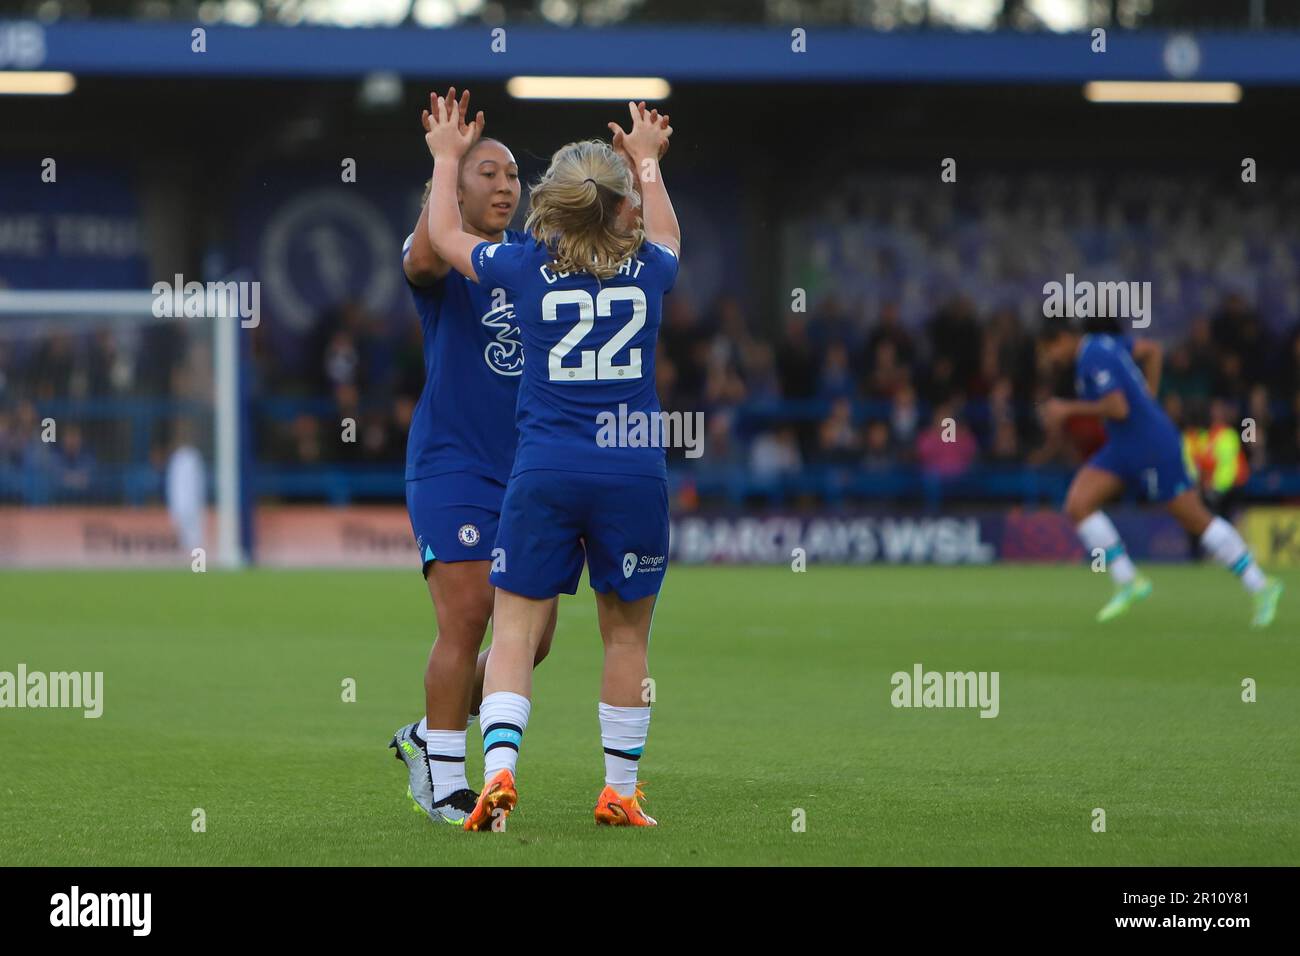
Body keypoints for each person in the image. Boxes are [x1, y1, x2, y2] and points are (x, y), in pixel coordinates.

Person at [424, 95, 677, 830]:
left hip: (545, 470)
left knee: (513, 633)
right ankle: (619, 791)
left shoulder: (524, 268)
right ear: (619, 204)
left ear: (552, 205)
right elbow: (665, 228)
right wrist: (649, 161)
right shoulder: (652, 270)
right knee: (626, 636)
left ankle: (499, 774)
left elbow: (442, 233)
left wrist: (445, 156)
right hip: (632, 472)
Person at [388, 88, 557, 826]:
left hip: (529, 472)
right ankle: (449, 781)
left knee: (536, 639)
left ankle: (431, 729)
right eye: (487, 173)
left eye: (513, 175)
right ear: (455, 190)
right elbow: (426, 258)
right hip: (453, 464)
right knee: (468, 614)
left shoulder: (533, 261)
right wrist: (446, 156)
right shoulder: (442, 252)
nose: (505, 185)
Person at [1039, 323, 1282, 628]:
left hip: (1151, 444)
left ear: (1062, 339)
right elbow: (1152, 350)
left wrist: (1068, 409)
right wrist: (1149, 397)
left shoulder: (1092, 357)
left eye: (1050, 350)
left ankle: (1260, 584)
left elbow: (1118, 408)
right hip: (1124, 444)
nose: (1050, 358)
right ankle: (1128, 581)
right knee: (1078, 504)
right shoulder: (1103, 343)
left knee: (1194, 518)